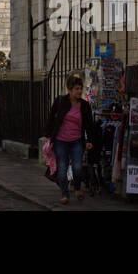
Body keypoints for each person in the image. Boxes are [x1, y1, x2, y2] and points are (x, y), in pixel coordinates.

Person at [45, 74, 101, 204]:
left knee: (77, 167)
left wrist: (90, 141)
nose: (80, 91)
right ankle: (65, 194)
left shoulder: (84, 106)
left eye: (80, 88)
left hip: (76, 141)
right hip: (60, 140)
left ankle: (77, 188)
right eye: (76, 88)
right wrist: (48, 135)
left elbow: (89, 125)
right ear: (69, 89)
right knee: (63, 168)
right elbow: (51, 118)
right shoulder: (60, 101)